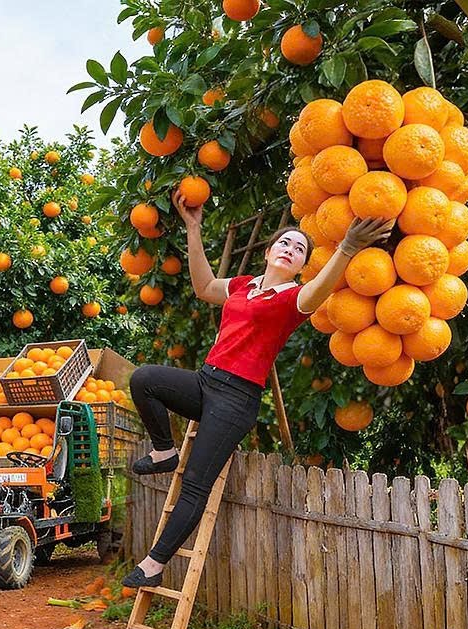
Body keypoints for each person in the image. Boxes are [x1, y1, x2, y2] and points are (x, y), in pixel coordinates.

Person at [121, 190, 393, 588]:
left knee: (196, 483)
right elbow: (204, 286)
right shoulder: (244, 286)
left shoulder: (293, 299)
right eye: (284, 242)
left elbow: (319, 290)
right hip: (206, 380)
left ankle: (154, 564)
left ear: (302, 265)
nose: (290, 248)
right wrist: (193, 228)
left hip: (236, 400)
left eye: (300, 248)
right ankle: (164, 449)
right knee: (144, 378)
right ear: (269, 251)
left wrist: (348, 248)